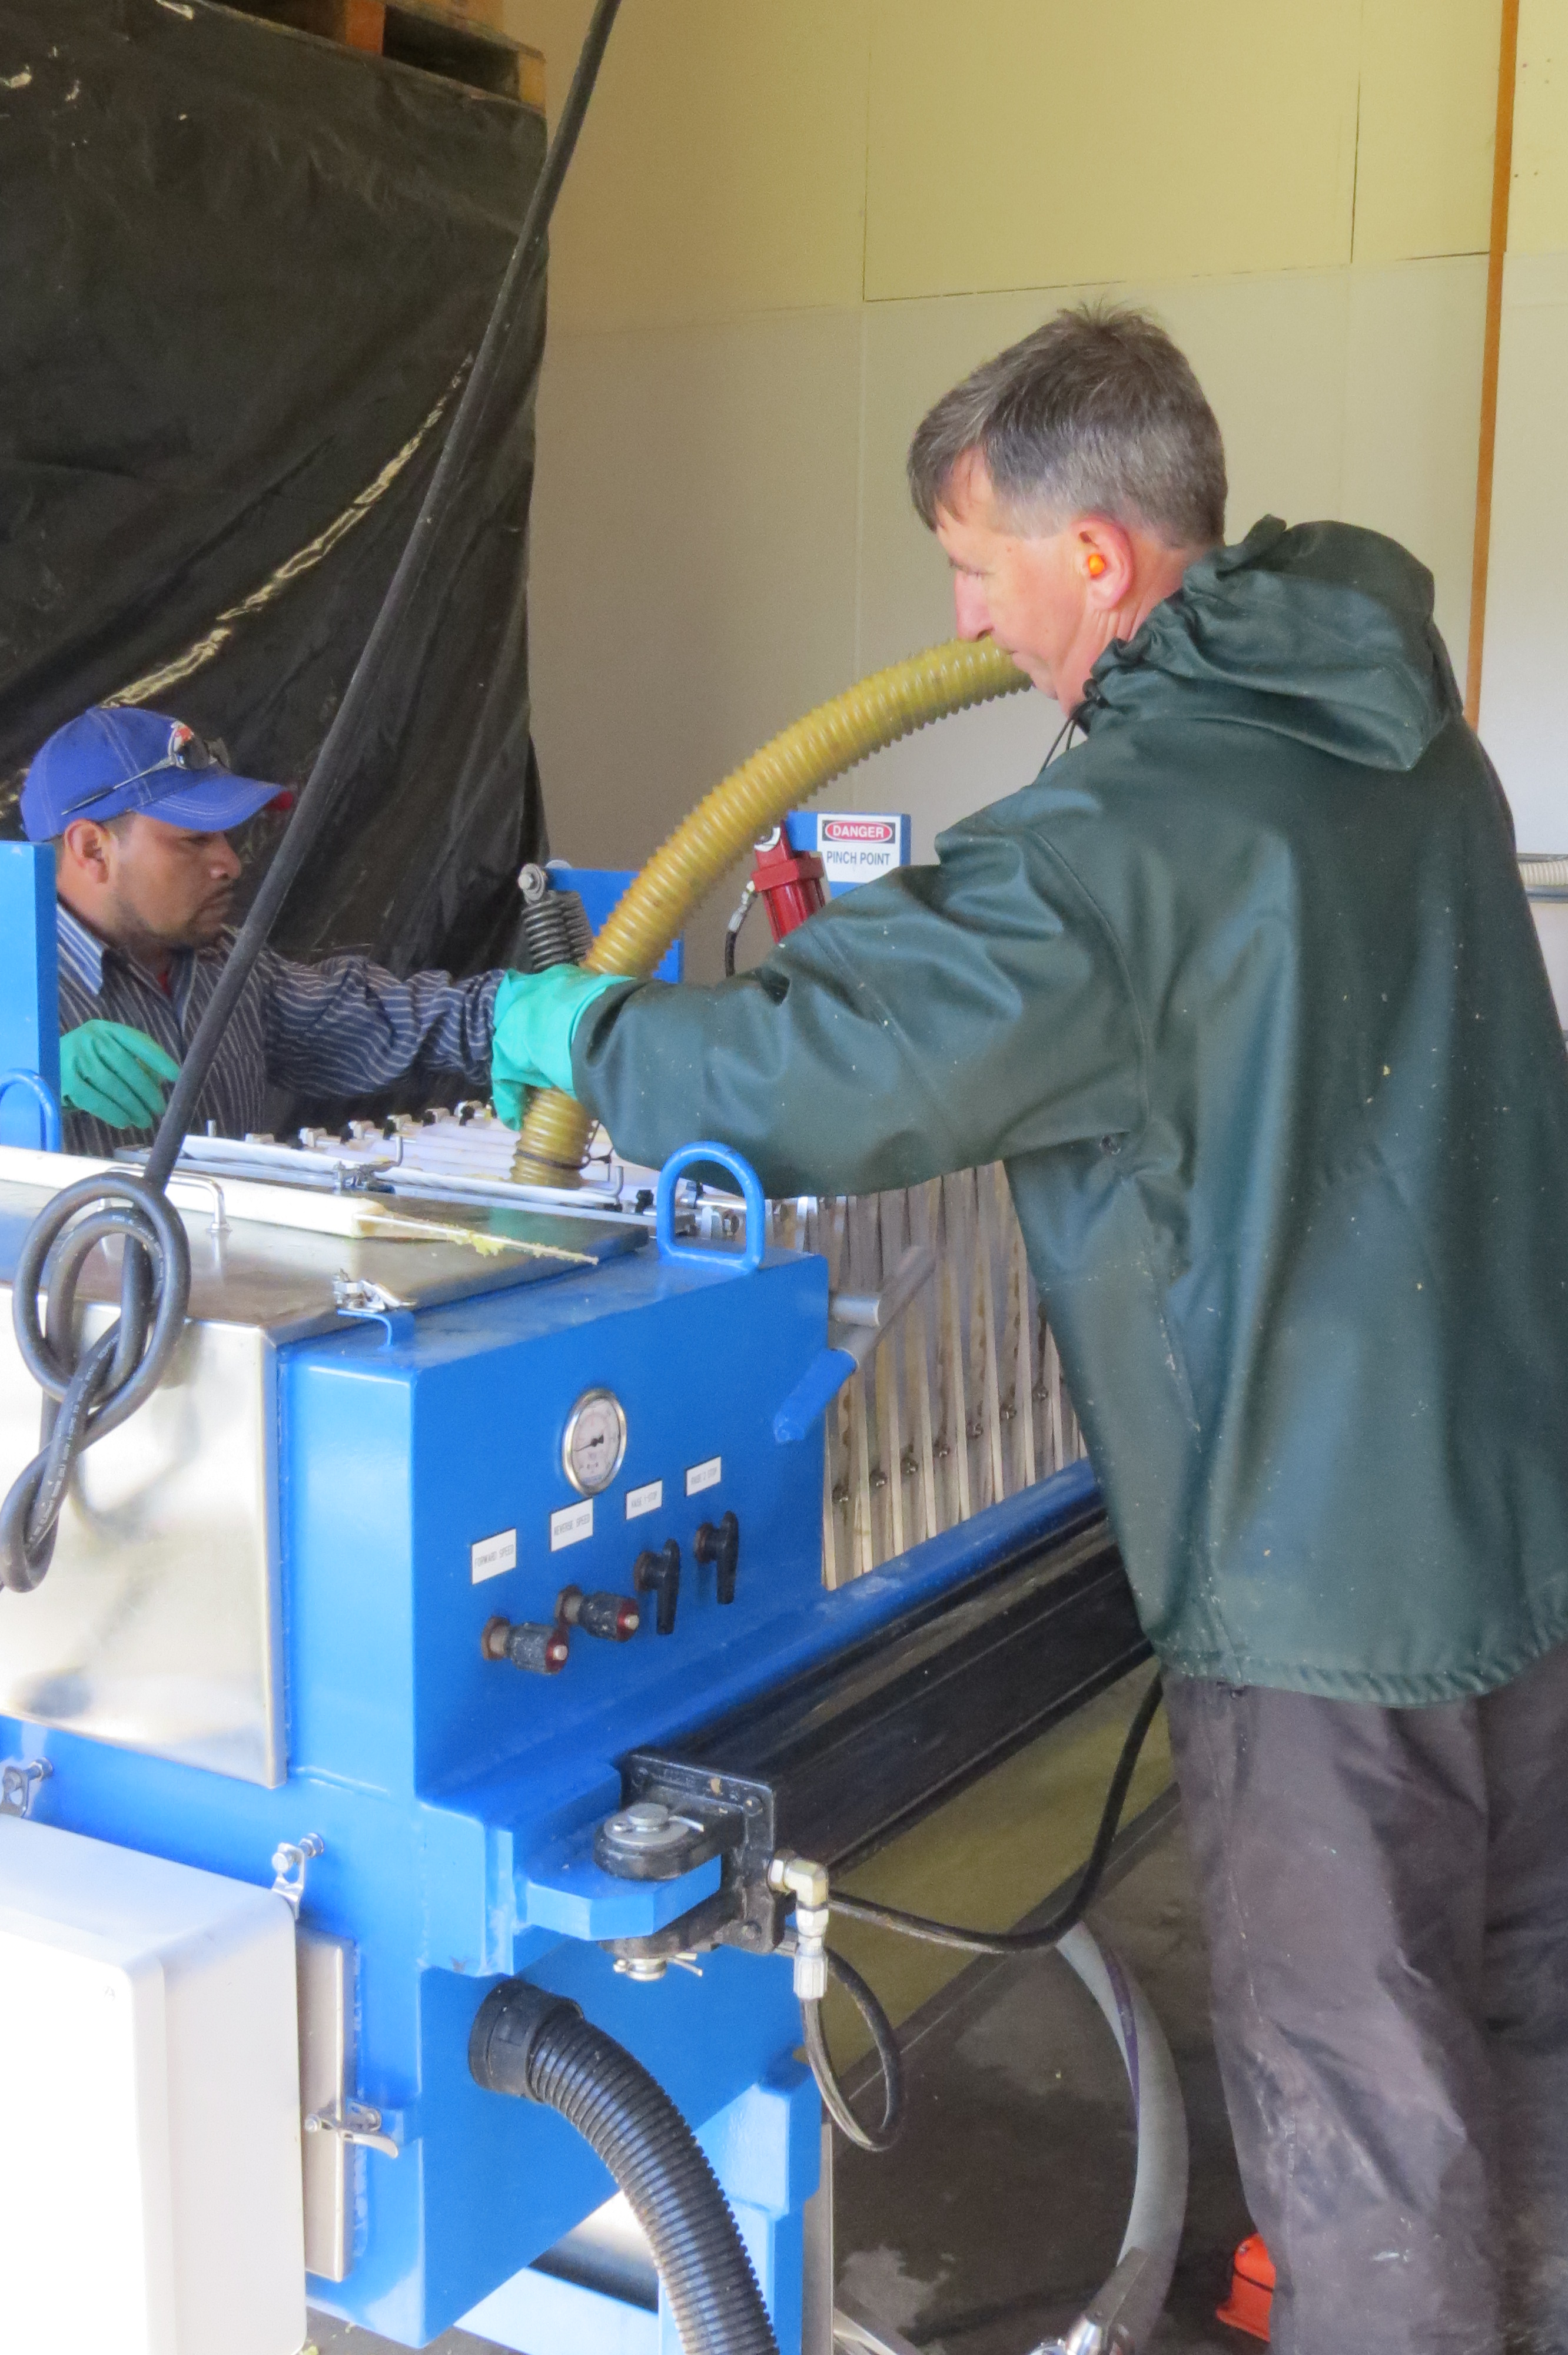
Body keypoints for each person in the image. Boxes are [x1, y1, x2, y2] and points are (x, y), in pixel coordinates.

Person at [490, 306, 1568, 2354]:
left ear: (1097, 558)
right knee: (1521, 2013)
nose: (967, 628)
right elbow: (1046, 960)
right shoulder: (1396, 736)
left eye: (975, 571)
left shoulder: (1142, 834)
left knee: (1363, 2102)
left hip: (1320, 1592)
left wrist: (600, 1034)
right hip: (1516, 1508)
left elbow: (846, 1073)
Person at [21, 704, 529, 1157]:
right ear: (92, 849)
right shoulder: (14, 987)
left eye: (223, 836)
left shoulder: (228, 966)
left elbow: (385, 1023)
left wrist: (522, 1018)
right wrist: (20, 1075)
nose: (230, 863)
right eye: (195, 840)